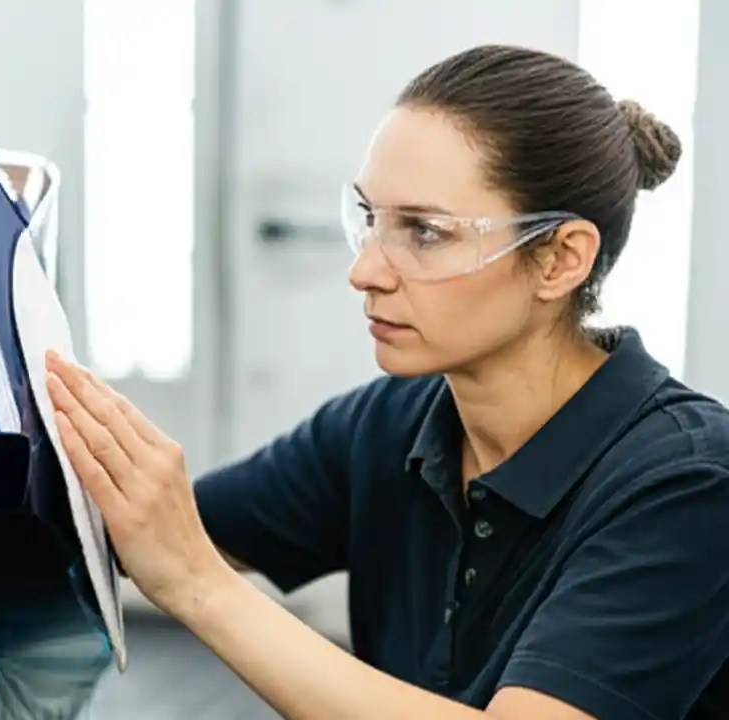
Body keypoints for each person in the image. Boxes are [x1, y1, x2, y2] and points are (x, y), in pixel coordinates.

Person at [45, 44, 729, 719]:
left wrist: (199, 584)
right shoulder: (391, 424)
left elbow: (187, 561)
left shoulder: (690, 484)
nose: (366, 271)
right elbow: (160, 536)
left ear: (559, 260)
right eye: (370, 220)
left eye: (425, 232)